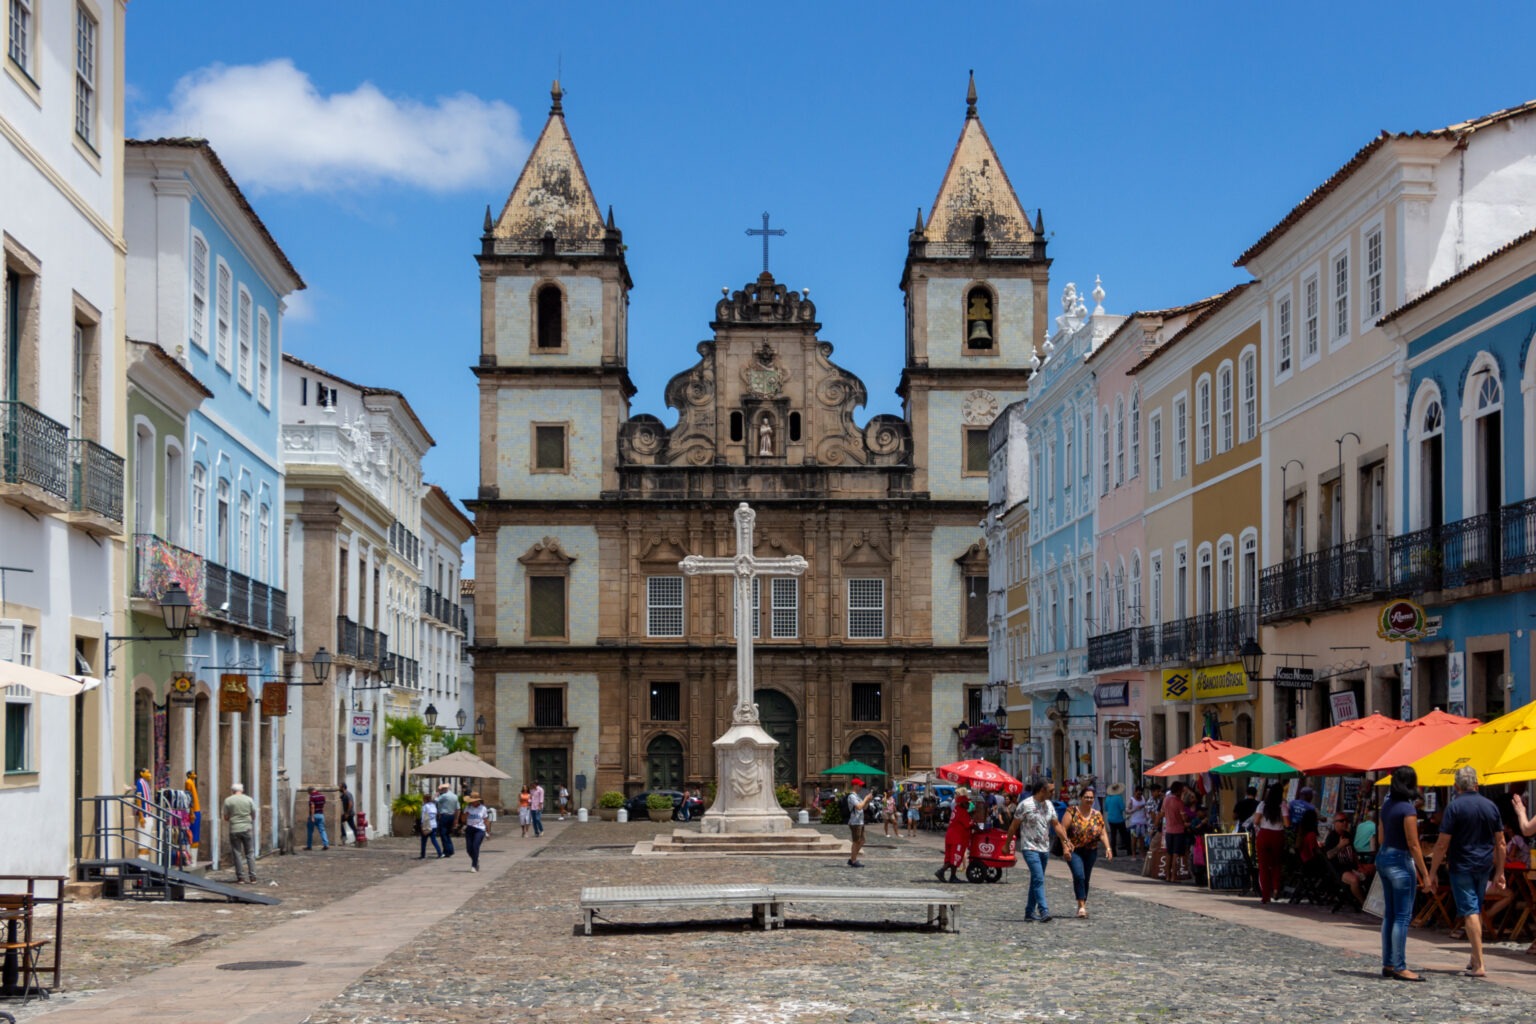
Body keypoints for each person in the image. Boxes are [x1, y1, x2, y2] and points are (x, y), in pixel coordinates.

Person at [1427, 765, 1506, 978]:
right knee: (1475, 908)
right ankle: (1474, 957)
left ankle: (1479, 963)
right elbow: (1501, 843)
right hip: (1484, 865)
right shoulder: (1491, 806)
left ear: (1455, 786)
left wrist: (1432, 871)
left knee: (1470, 910)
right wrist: (1500, 871)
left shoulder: (1455, 807)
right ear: (1477, 785)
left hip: (1461, 865)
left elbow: (1442, 843)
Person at [1377, 765, 1433, 982]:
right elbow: (1414, 844)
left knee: (1390, 914)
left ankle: (1388, 963)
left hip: (1384, 856)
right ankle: (1400, 966)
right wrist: (1425, 874)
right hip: (1400, 860)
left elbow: (1381, 837)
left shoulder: (1387, 806)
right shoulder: (1407, 810)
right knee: (1402, 916)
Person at [1014, 780, 1069, 921]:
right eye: (1050, 790)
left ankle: (1029, 912)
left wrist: (1066, 841)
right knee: (1039, 879)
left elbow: (1056, 825)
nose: (1053, 793)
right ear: (1041, 790)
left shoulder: (1049, 805)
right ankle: (1044, 911)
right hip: (1029, 847)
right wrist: (1007, 844)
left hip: (1044, 848)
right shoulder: (1025, 805)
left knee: (1036, 880)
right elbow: (1013, 826)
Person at [1062, 784, 1113, 918]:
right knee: (1079, 875)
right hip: (1075, 850)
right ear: (1080, 798)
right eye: (1086, 797)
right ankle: (1081, 906)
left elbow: (1102, 833)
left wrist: (1108, 848)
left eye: (1091, 798)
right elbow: (1062, 830)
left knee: (1086, 878)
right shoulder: (1071, 811)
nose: (1089, 800)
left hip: (1091, 851)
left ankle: (1082, 903)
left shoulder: (1097, 815)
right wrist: (1066, 847)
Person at [1251, 783, 1289, 904]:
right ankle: (1276, 888)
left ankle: (1265, 895)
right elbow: (1287, 824)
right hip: (1277, 835)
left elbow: (1256, 821)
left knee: (1263, 866)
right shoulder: (1282, 805)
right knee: (1276, 864)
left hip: (1264, 835)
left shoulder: (1262, 805)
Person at [936, 786, 975, 883]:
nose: (968, 804)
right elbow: (968, 824)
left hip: (950, 836)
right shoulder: (962, 812)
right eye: (966, 803)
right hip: (957, 838)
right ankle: (947, 874)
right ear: (962, 803)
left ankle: (945, 873)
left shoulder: (956, 809)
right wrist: (975, 823)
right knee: (955, 857)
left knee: (950, 857)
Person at [222, 782, 256, 883]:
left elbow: (226, 817)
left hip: (234, 829)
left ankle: (240, 877)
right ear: (242, 790)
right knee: (250, 852)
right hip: (247, 828)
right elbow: (253, 813)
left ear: (232, 791)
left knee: (237, 853)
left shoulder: (228, 800)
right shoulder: (249, 799)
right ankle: (253, 877)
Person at [1161, 781, 1190, 883]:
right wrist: (1186, 820)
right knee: (1176, 854)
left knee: (1169, 853)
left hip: (1168, 830)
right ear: (1178, 790)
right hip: (1178, 830)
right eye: (1181, 790)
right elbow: (1184, 817)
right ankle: (1174, 876)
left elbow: (1162, 812)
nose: (1182, 792)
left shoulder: (1166, 800)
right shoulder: (1179, 802)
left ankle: (1167, 875)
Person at [845, 779, 873, 868]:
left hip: (860, 821)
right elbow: (859, 807)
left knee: (862, 841)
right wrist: (865, 799)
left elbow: (864, 807)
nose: (861, 787)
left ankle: (853, 858)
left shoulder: (857, 796)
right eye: (859, 785)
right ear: (855, 785)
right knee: (856, 842)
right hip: (855, 822)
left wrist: (867, 801)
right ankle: (853, 860)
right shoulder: (852, 796)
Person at [463, 792, 490, 872]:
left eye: (473, 801)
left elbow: (486, 820)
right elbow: (463, 820)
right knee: (469, 849)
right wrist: (465, 815)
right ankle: (475, 859)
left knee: (475, 846)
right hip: (469, 829)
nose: (472, 802)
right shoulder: (468, 808)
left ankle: (474, 865)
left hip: (479, 829)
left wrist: (488, 832)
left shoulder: (483, 808)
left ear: (477, 801)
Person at [1103, 783, 1129, 856]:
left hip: (1110, 819)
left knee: (1113, 836)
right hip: (1119, 819)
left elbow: (1106, 808)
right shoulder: (1119, 797)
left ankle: (1113, 852)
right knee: (1124, 835)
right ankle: (1129, 850)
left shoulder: (1108, 798)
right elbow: (1122, 808)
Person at [435, 783, 459, 858]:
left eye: (441, 789)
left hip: (444, 815)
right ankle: (450, 849)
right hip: (451, 815)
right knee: (447, 833)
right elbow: (457, 808)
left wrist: (437, 793)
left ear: (444, 789)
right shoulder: (455, 796)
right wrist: (456, 819)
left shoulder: (444, 796)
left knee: (443, 833)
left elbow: (435, 800)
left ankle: (447, 851)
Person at [305, 786, 330, 851]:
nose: (309, 794)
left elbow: (312, 807)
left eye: (308, 793)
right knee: (322, 830)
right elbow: (323, 804)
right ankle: (326, 844)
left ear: (310, 791)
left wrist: (312, 816)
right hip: (321, 815)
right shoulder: (322, 796)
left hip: (314, 815)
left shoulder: (312, 797)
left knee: (310, 831)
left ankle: (309, 846)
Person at [418, 790, 441, 859]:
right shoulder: (433, 806)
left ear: (424, 799)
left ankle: (423, 855)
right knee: (434, 840)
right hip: (434, 825)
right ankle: (439, 852)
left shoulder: (425, 806)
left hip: (427, 825)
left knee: (424, 841)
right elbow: (436, 814)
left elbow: (423, 816)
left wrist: (421, 825)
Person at [1127, 786, 1149, 857]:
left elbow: (1146, 809)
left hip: (1143, 822)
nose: (1139, 795)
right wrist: (1135, 809)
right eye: (1138, 793)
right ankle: (1133, 854)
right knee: (1134, 839)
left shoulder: (1143, 799)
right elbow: (1127, 811)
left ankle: (1142, 853)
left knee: (1142, 839)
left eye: (1140, 793)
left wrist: (1147, 817)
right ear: (1135, 792)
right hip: (1134, 822)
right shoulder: (1131, 800)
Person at [338, 781, 357, 846]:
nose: (339, 788)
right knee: (353, 826)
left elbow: (350, 804)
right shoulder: (343, 795)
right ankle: (357, 839)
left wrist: (347, 813)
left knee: (339, 821)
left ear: (343, 787)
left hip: (349, 814)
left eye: (340, 787)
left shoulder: (347, 794)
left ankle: (344, 836)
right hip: (349, 813)